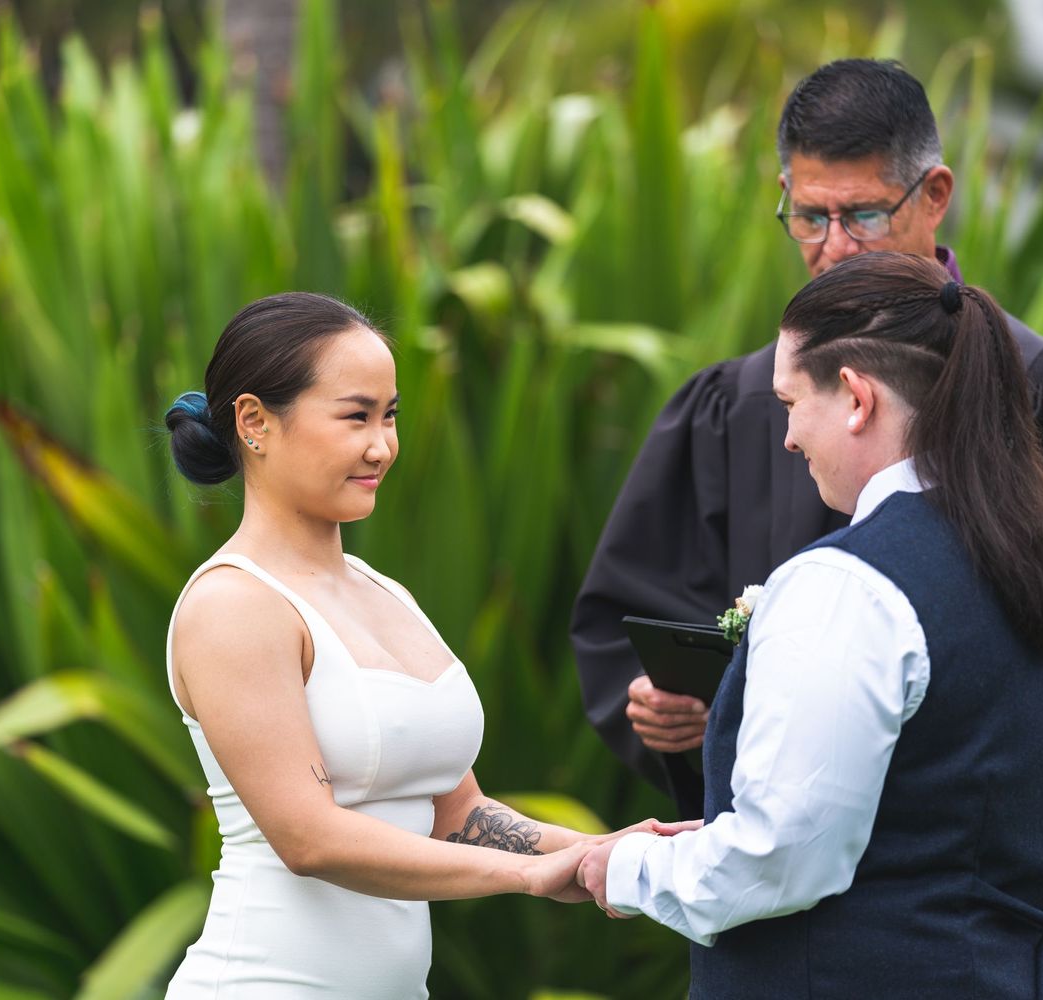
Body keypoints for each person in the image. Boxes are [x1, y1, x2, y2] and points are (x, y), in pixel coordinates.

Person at [569, 58, 1043, 993]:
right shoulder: (735, 401)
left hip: (948, 908)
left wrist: (618, 867)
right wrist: (699, 714)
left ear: (934, 197)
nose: (834, 246)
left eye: (863, 214)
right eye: (809, 215)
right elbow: (630, 609)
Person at [162, 292, 685, 998]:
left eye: (390, 415)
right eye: (355, 416)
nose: (382, 446)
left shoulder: (384, 592)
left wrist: (605, 851)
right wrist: (531, 876)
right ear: (254, 422)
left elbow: (457, 812)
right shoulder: (233, 605)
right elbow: (309, 839)